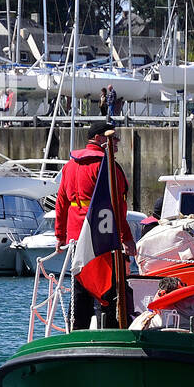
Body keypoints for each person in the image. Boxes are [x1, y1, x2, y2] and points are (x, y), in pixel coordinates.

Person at [56, 119, 135, 329]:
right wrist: (126, 238)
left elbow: (61, 203)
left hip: (76, 234)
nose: (117, 142)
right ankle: (109, 330)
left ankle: (76, 330)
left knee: (80, 283)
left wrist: (59, 236)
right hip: (102, 234)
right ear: (100, 139)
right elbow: (117, 207)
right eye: (113, 137)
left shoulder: (69, 166)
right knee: (107, 287)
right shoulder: (107, 167)